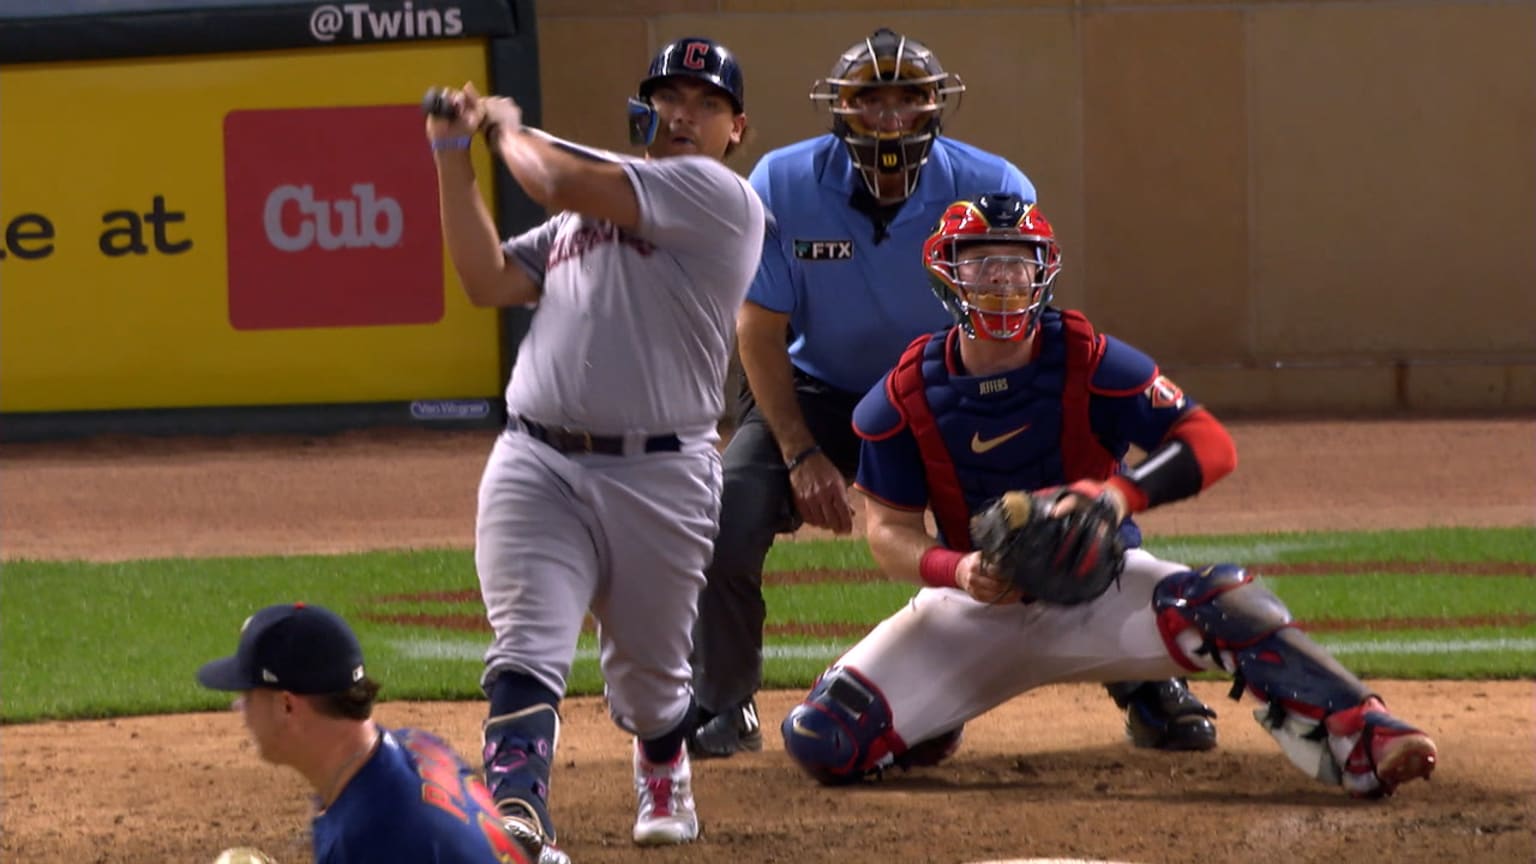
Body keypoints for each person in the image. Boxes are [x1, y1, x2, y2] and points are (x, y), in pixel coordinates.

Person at [778, 194, 1439, 800]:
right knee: (824, 740)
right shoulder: (902, 395)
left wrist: (1116, 498)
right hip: (973, 605)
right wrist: (959, 569)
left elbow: (1211, 443)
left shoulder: (1086, 356)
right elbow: (887, 531)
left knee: (1219, 598)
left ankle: (1363, 729)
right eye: (984, 266)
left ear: (1046, 271)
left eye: (1018, 264)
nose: (1004, 282)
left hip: (1101, 590)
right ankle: (931, 718)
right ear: (945, 274)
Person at [689, 25, 1217, 760]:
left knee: (1058, 512)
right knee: (730, 514)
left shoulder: (994, 184)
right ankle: (723, 702)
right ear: (840, 108)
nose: (889, 116)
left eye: (907, 98)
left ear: (936, 107)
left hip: (952, 391)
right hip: (819, 393)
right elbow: (759, 327)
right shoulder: (781, 181)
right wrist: (801, 450)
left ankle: (1146, 685)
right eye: (871, 99)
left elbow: (1024, 308)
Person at [425, 36, 763, 862]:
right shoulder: (588, 215)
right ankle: (518, 811)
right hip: (537, 458)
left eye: (707, 103)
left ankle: (661, 760)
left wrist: (502, 120)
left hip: (663, 472)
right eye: (671, 97)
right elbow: (487, 281)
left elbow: (551, 174)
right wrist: (448, 158)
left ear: (736, 130)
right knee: (527, 642)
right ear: (647, 108)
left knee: (651, 683)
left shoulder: (719, 200)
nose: (685, 114)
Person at [196, 603, 536, 863]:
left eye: (248, 695)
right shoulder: (414, 746)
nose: (238, 708)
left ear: (287, 705)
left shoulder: (367, 836)